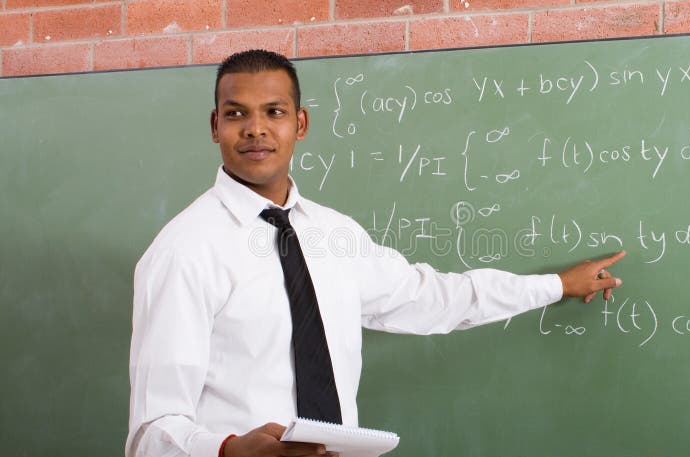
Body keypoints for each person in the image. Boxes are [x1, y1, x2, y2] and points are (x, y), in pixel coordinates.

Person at [125, 49, 625, 457]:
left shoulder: (334, 235)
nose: (255, 129)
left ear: (300, 124)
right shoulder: (182, 252)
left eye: (273, 112)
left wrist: (558, 285)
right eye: (237, 114)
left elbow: (435, 298)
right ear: (216, 126)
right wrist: (231, 451)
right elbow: (152, 433)